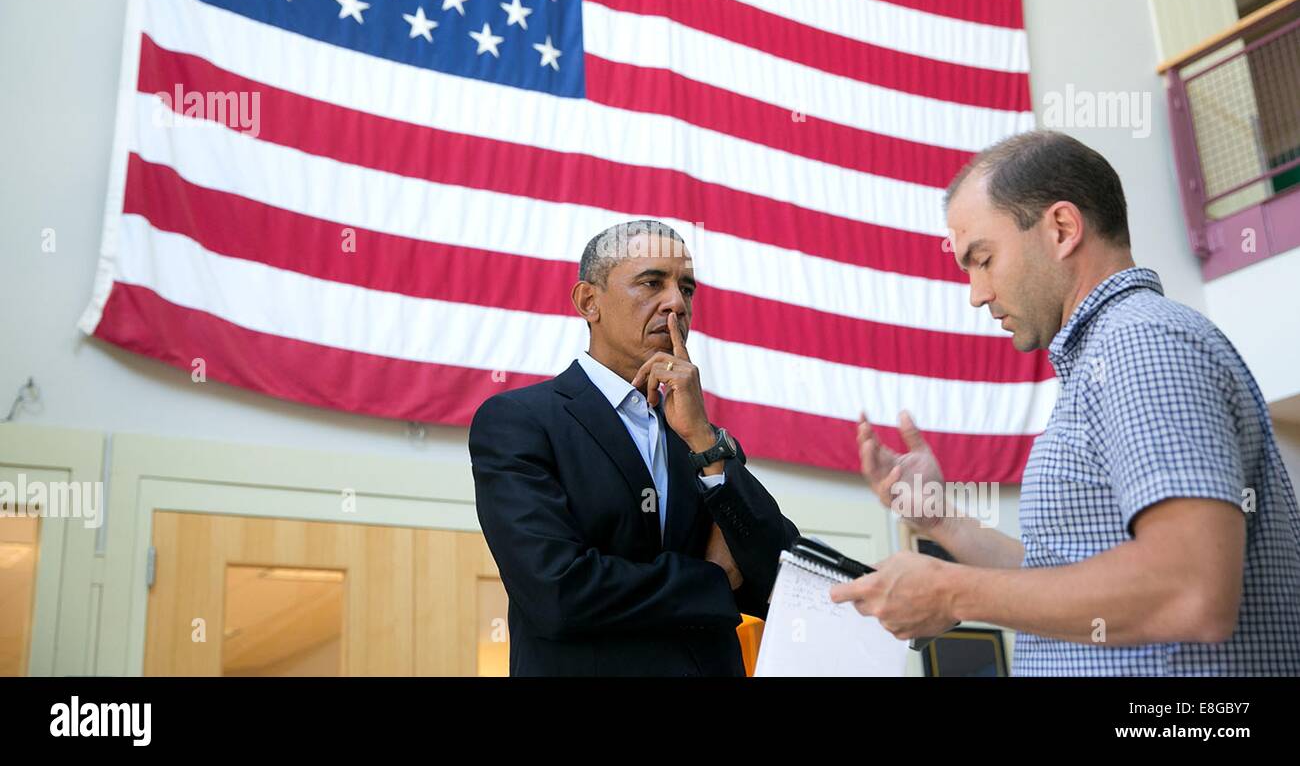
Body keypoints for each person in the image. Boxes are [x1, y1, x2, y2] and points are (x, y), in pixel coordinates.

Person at [830, 130, 1300, 675]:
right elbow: (1065, 574)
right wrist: (941, 520)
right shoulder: (1108, 356)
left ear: (1061, 228)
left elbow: (1189, 587)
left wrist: (953, 593)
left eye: (983, 259)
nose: (977, 293)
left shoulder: (1140, 343)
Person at [469, 218, 799, 675]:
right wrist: (713, 581)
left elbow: (781, 580)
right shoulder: (519, 422)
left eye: (687, 289)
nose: (675, 304)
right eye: (652, 282)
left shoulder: (701, 440)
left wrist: (704, 440)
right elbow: (559, 593)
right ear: (589, 302)